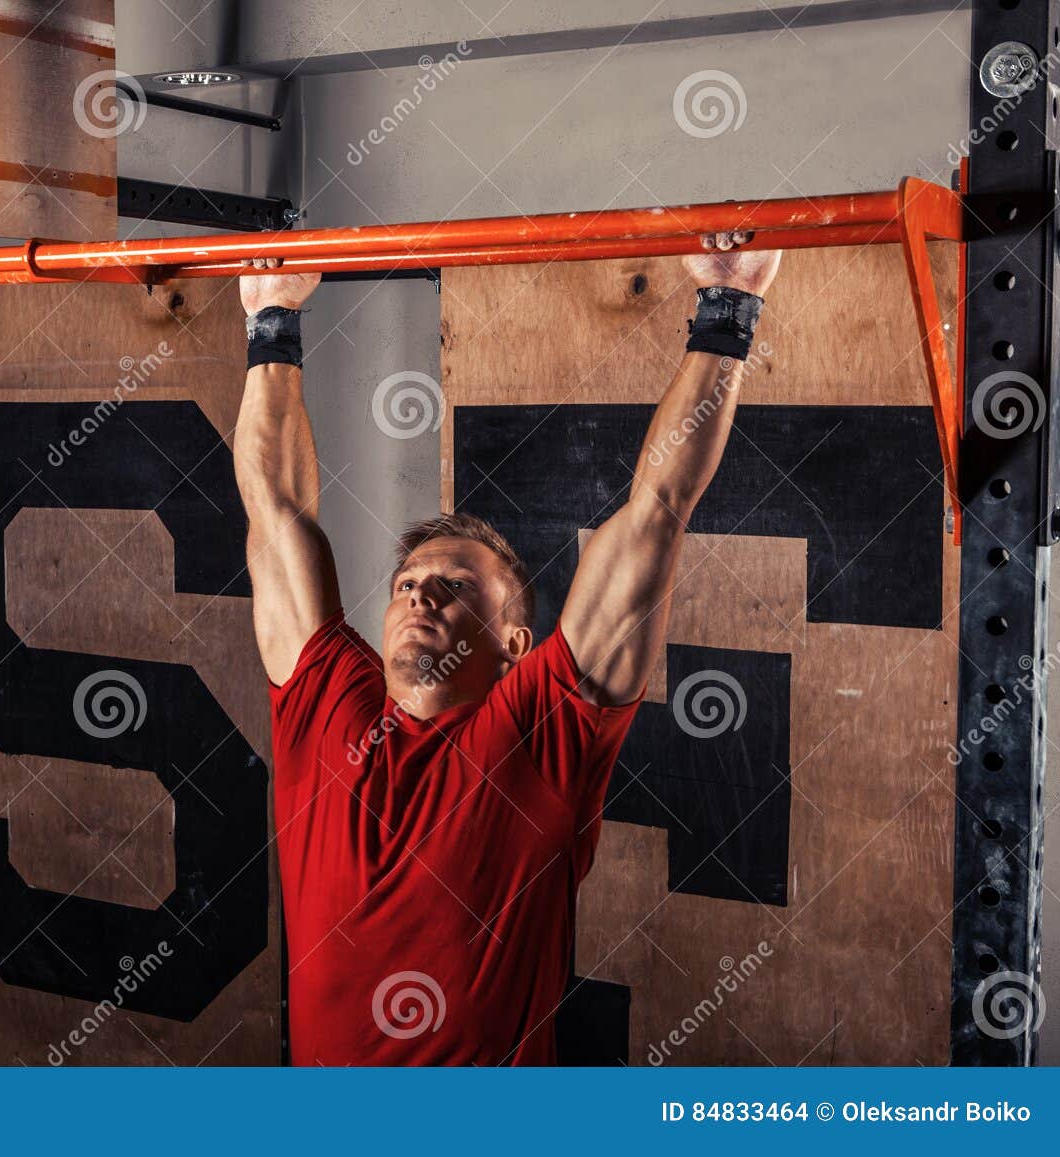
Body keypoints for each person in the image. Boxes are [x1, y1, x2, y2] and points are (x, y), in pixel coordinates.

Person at [233, 234, 782, 1064]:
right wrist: (271, 317)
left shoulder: (537, 737)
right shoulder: (325, 703)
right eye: (409, 582)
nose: (419, 593)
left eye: (453, 586)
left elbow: (656, 512)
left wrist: (727, 308)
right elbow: (275, 510)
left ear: (516, 643)